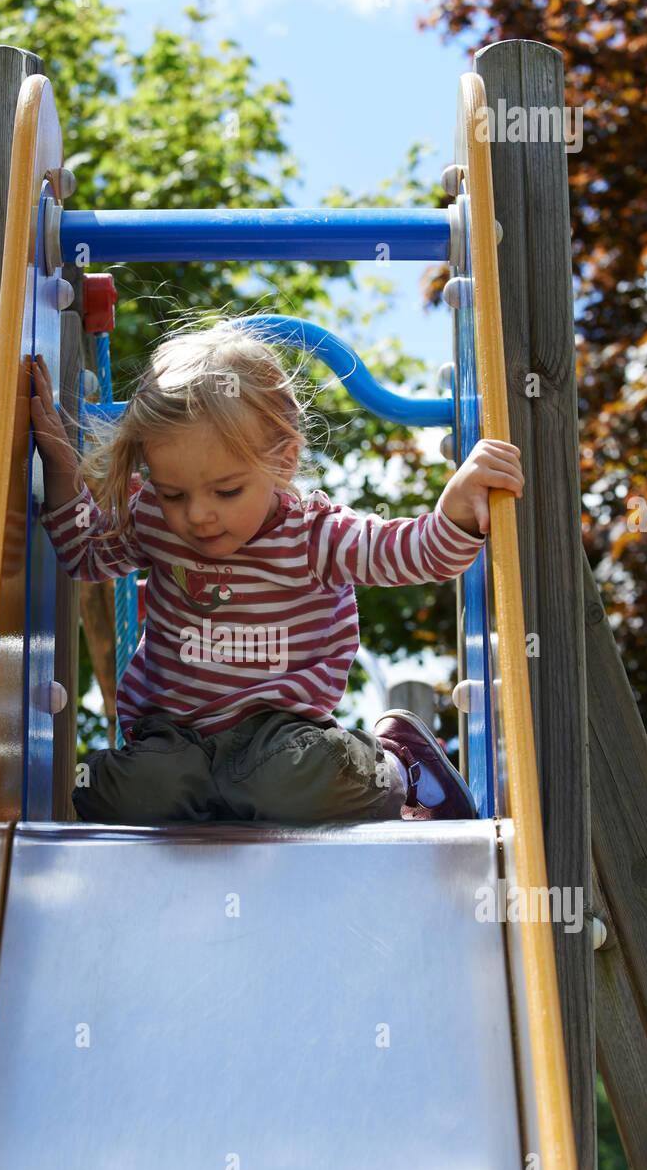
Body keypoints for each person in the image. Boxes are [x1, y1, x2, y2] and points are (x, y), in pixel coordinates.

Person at [30, 322, 524, 826]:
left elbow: (411, 553)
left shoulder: (314, 534)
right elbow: (84, 554)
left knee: (287, 783)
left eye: (226, 491)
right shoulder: (154, 519)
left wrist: (455, 513)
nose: (197, 514)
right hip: (172, 737)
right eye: (173, 492)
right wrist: (58, 465)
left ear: (283, 462)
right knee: (124, 794)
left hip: (281, 736)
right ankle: (208, 800)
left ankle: (404, 766)